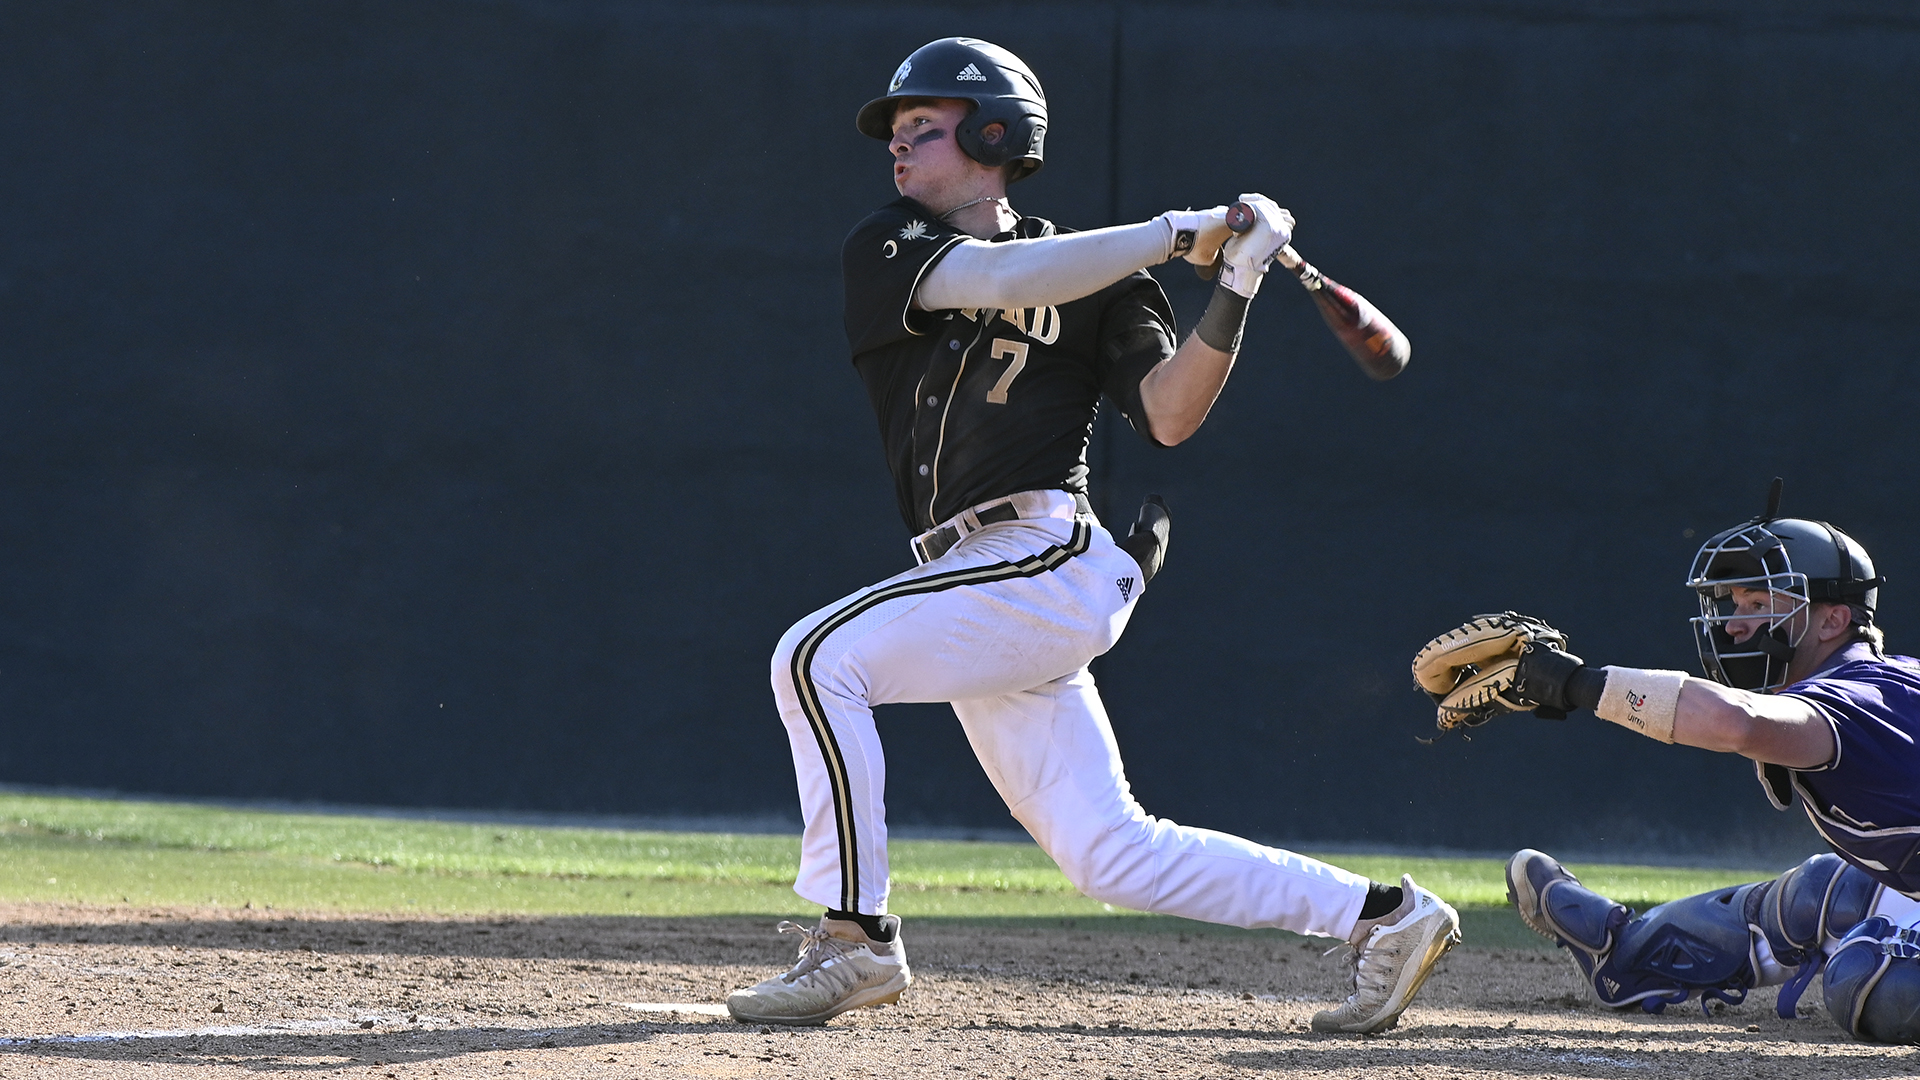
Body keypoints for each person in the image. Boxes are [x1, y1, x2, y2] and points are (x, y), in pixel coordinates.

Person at [722, 37, 1459, 1034]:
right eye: (896, 133)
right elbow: (995, 276)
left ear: (996, 134)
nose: (897, 151)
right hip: (981, 582)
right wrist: (1173, 232)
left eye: (922, 128)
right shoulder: (888, 243)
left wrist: (1233, 285)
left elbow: (1168, 415)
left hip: (1038, 556)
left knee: (815, 659)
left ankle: (854, 939)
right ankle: (1384, 921)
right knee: (1110, 854)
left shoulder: (1107, 281)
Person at [1425, 483, 1920, 1044]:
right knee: (1826, 890)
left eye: (1760, 605)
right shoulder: (1888, 680)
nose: (1735, 624)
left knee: (1873, 979)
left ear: (1832, 622)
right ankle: (1630, 954)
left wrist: (1575, 685)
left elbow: (1739, 723)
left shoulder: (1856, 701)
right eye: (1734, 605)